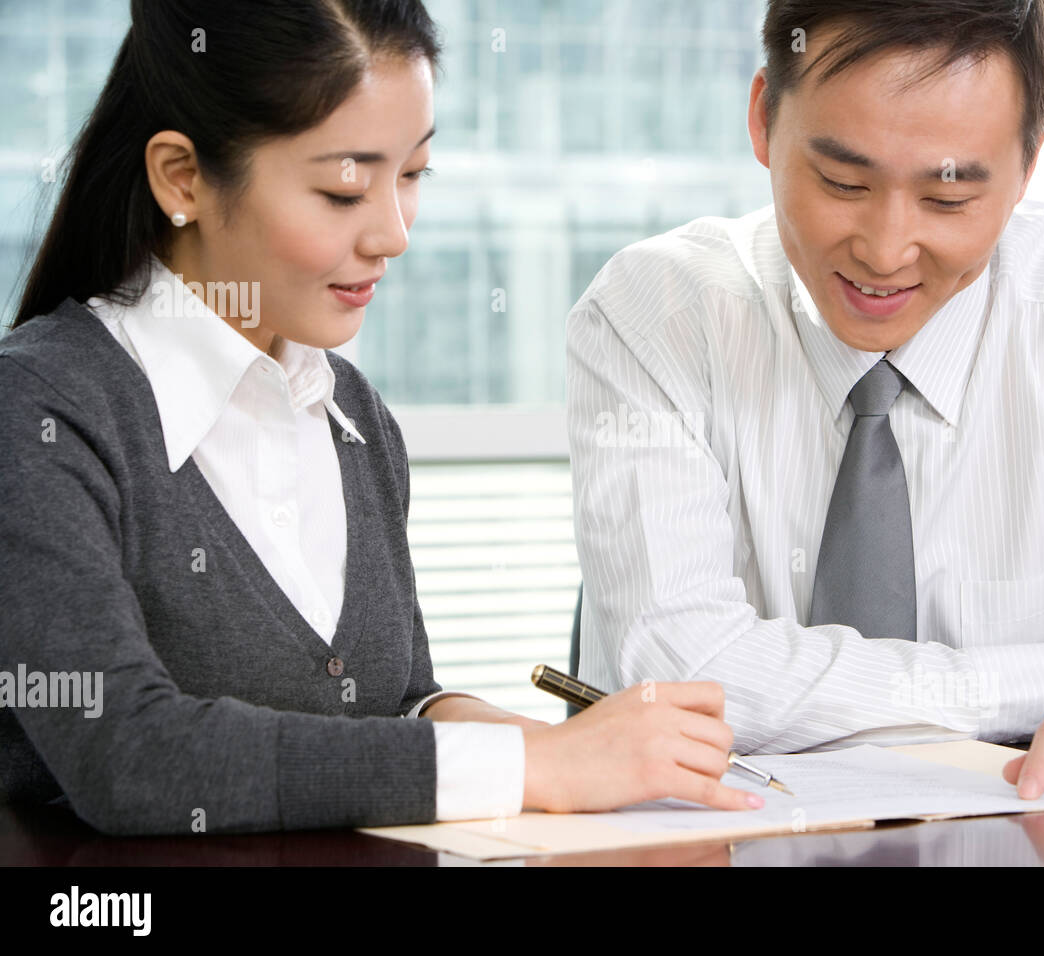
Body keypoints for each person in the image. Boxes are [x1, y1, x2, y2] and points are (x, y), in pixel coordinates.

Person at [0, 0, 761, 837]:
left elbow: (391, 708)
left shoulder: (354, 418)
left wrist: (573, 745)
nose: (394, 235)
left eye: (413, 175)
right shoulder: (40, 409)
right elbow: (132, 758)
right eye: (344, 190)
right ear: (183, 178)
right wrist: (535, 767)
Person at [567, 0, 1044, 799]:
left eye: (948, 200)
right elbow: (686, 670)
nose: (884, 251)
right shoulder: (653, 314)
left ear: (1028, 164)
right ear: (762, 118)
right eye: (842, 181)